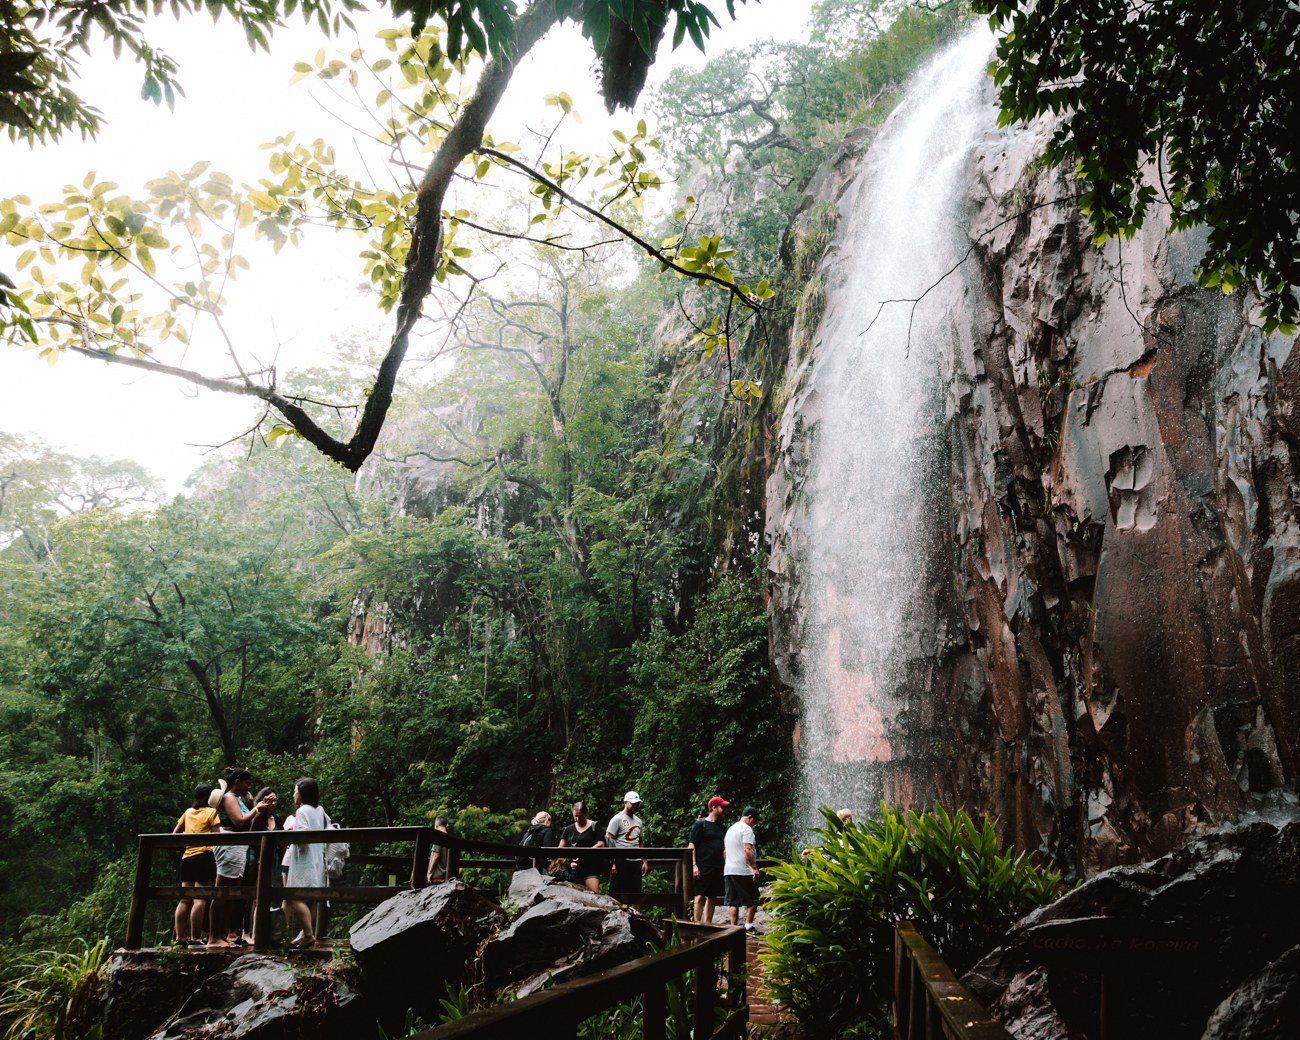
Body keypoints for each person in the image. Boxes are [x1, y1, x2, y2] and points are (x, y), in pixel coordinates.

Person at [208, 767, 273, 948]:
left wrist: (261, 809)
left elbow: (250, 822)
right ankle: (214, 937)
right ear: (236, 782)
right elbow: (239, 820)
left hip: (238, 847)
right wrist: (257, 808)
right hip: (229, 845)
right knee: (221, 892)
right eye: (246, 783)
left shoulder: (237, 799)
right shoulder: (228, 797)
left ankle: (223, 935)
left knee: (231, 894)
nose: (248, 787)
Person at [283, 776, 329, 949]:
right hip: (317, 859)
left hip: (304, 860)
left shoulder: (302, 811)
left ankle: (308, 935)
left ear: (302, 794)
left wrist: (289, 836)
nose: (293, 795)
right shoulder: (319, 810)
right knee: (311, 899)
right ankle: (305, 935)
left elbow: (302, 836)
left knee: (294, 896)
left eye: (295, 792)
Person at [173, 784, 218, 945]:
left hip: (187, 858)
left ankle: (180, 938)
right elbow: (218, 837)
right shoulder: (211, 812)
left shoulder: (188, 812)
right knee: (200, 899)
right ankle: (196, 938)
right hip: (204, 857)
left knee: (184, 899)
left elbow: (175, 834)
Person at [688, 796, 729, 923]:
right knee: (699, 896)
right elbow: (691, 845)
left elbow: (724, 848)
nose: (724, 809)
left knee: (712, 897)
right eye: (722, 806)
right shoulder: (700, 824)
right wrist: (694, 865)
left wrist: (727, 865)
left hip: (717, 866)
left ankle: (708, 925)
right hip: (702, 865)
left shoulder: (721, 827)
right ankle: (696, 924)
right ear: (713, 808)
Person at [723, 806, 760, 930]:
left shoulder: (731, 829)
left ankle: (733, 929)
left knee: (733, 901)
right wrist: (754, 867)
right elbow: (747, 850)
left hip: (728, 870)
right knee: (754, 899)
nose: (754, 825)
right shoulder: (746, 829)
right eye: (755, 821)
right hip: (742, 871)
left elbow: (724, 852)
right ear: (750, 818)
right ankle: (748, 926)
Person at [606, 791, 648, 898]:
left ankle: (636, 914)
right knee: (616, 893)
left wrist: (644, 861)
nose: (635, 806)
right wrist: (613, 862)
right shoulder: (617, 819)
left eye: (637, 803)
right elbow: (609, 838)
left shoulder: (638, 821)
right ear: (625, 802)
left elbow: (640, 841)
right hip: (621, 861)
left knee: (636, 893)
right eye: (633, 803)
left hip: (636, 861)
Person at [558, 801, 606, 892]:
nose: (577, 819)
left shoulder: (594, 826)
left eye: (580, 816)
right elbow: (560, 848)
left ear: (586, 813)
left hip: (590, 867)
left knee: (593, 895)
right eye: (575, 816)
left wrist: (584, 853)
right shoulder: (568, 829)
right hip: (572, 869)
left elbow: (601, 844)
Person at [426, 815, 450, 883]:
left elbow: (436, 856)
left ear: (436, 825)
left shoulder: (438, 837)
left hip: (437, 877)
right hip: (445, 877)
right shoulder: (449, 839)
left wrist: (429, 873)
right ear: (446, 825)